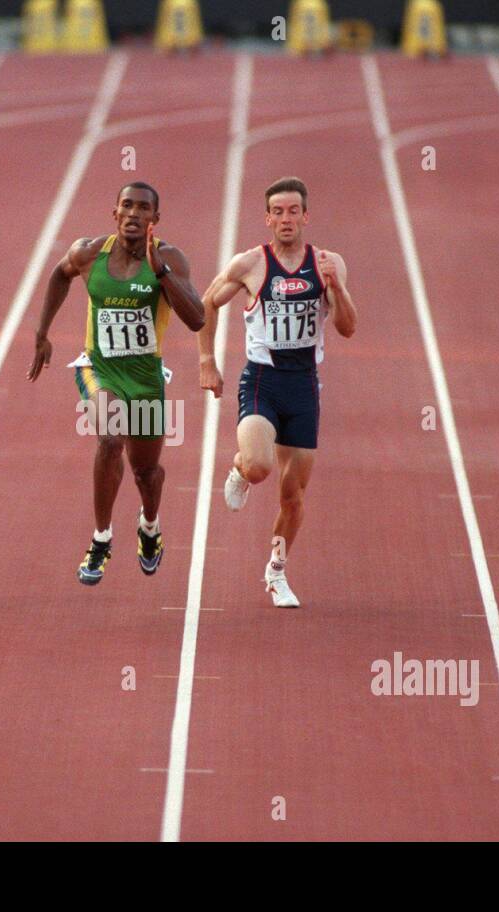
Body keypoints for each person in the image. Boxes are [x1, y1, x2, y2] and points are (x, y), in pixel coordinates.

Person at [27, 182, 205, 585]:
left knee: (147, 473)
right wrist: (42, 332)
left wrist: (161, 272)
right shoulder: (90, 252)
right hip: (99, 367)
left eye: (144, 208)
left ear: (155, 219)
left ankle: (149, 527)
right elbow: (59, 274)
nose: (134, 214)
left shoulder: (170, 258)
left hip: (146, 377)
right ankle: (101, 538)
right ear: (115, 213)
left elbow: (197, 319)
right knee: (109, 439)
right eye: (127, 205)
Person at [198, 177, 357, 607]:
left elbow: (347, 328)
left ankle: (276, 571)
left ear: (306, 216)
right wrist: (207, 361)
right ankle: (239, 469)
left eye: (293, 211)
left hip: (304, 385)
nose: (286, 219)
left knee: (294, 496)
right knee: (258, 466)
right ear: (267, 218)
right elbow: (208, 302)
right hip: (262, 381)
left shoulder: (328, 264)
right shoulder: (251, 264)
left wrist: (335, 288)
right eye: (278, 212)